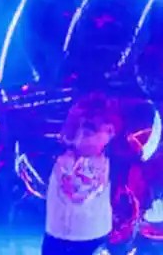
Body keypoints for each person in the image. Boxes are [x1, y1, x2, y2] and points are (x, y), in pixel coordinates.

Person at [45, 94, 118, 255]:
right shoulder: (63, 159)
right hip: (61, 239)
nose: (82, 138)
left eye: (89, 132)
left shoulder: (111, 160)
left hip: (93, 238)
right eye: (83, 131)